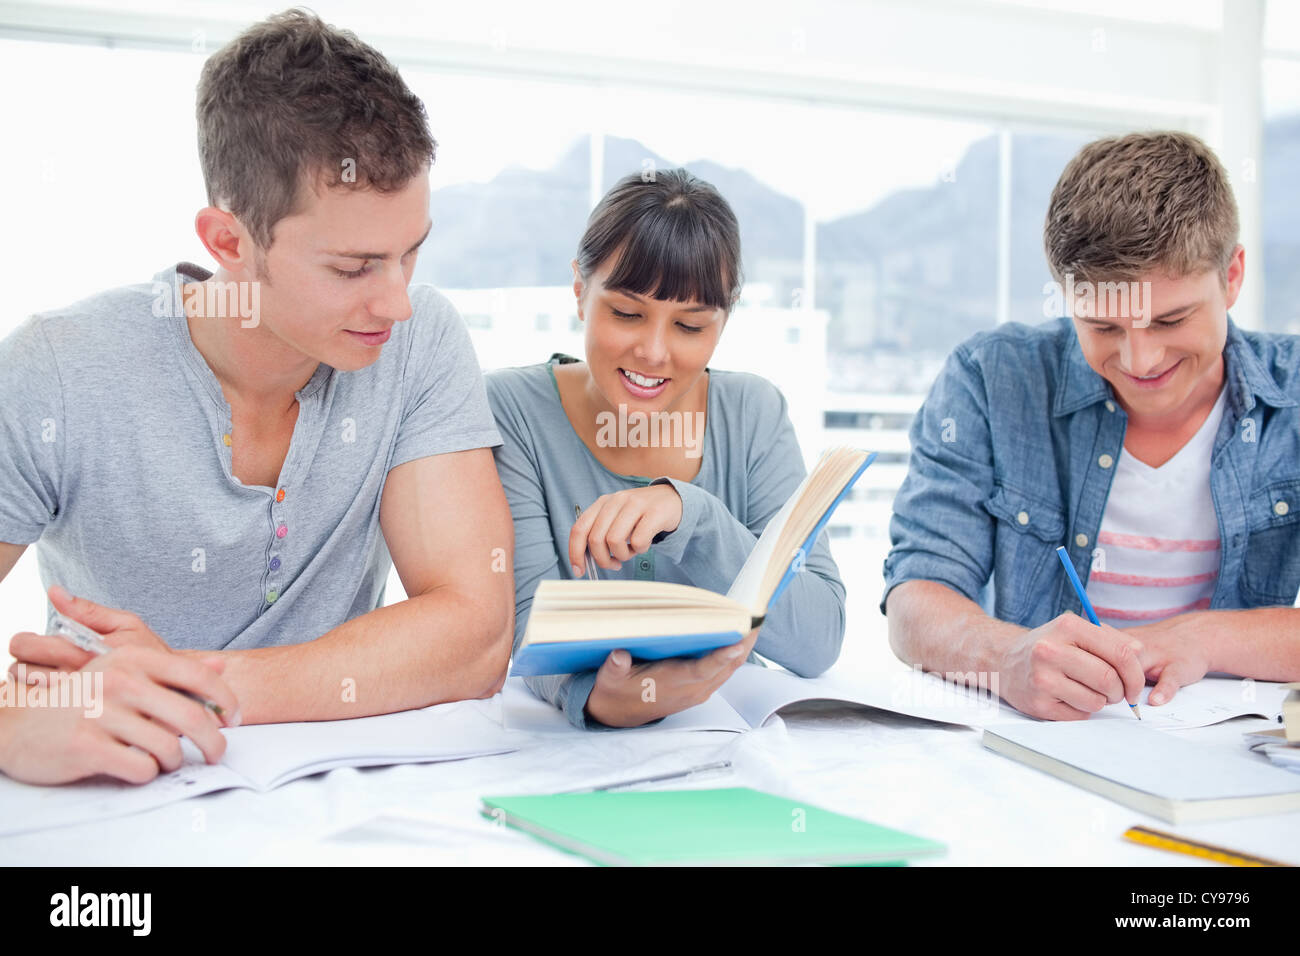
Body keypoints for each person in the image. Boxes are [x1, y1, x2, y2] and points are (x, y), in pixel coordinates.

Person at [0, 10, 513, 783]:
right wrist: (9, 728)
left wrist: (196, 688)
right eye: (354, 268)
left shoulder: (420, 341)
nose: (397, 302)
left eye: (412, 253)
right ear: (229, 243)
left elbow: (473, 635)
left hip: (335, 804)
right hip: (113, 797)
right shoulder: (58, 370)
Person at [884, 131, 1300, 720]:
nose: (1140, 361)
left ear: (1231, 276)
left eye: (1170, 319)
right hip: (1044, 750)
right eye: (1104, 327)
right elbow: (916, 595)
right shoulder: (990, 376)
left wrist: (1202, 638)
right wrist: (1005, 658)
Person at [486, 168, 845, 729]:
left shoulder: (752, 413)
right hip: (563, 752)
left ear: (722, 324)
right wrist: (601, 700)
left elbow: (818, 637)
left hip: (725, 747)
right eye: (627, 314)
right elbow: (527, 625)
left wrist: (692, 515)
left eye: (690, 326)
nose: (653, 352)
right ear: (580, 291)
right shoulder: (514, 408)